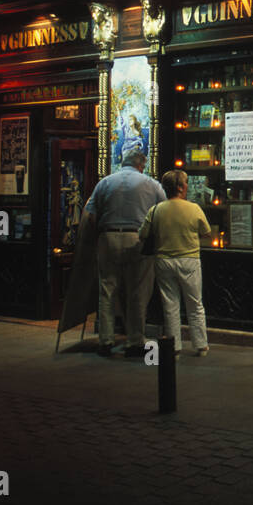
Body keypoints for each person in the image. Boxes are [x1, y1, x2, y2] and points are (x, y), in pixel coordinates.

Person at [85, 150, 165, 357]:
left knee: (107, 290)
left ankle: (106, 340)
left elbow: (91, 215)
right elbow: (162, 213)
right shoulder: (152, 184)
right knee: (138, 291)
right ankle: (135, 341)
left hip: (108, 237)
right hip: (138, 239)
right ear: (141, 165)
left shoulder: (104, 183)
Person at [140, 170, 212, 357]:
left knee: (170, 305)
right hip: (189, 259)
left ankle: (174, 347)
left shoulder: (156, 210)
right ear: (180, 187)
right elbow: (206, 232)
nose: (187, 186)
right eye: (186, 183)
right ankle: (201, 345)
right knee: (195, 304)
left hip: (164, 261)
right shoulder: (194, 208)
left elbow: (143, 234)